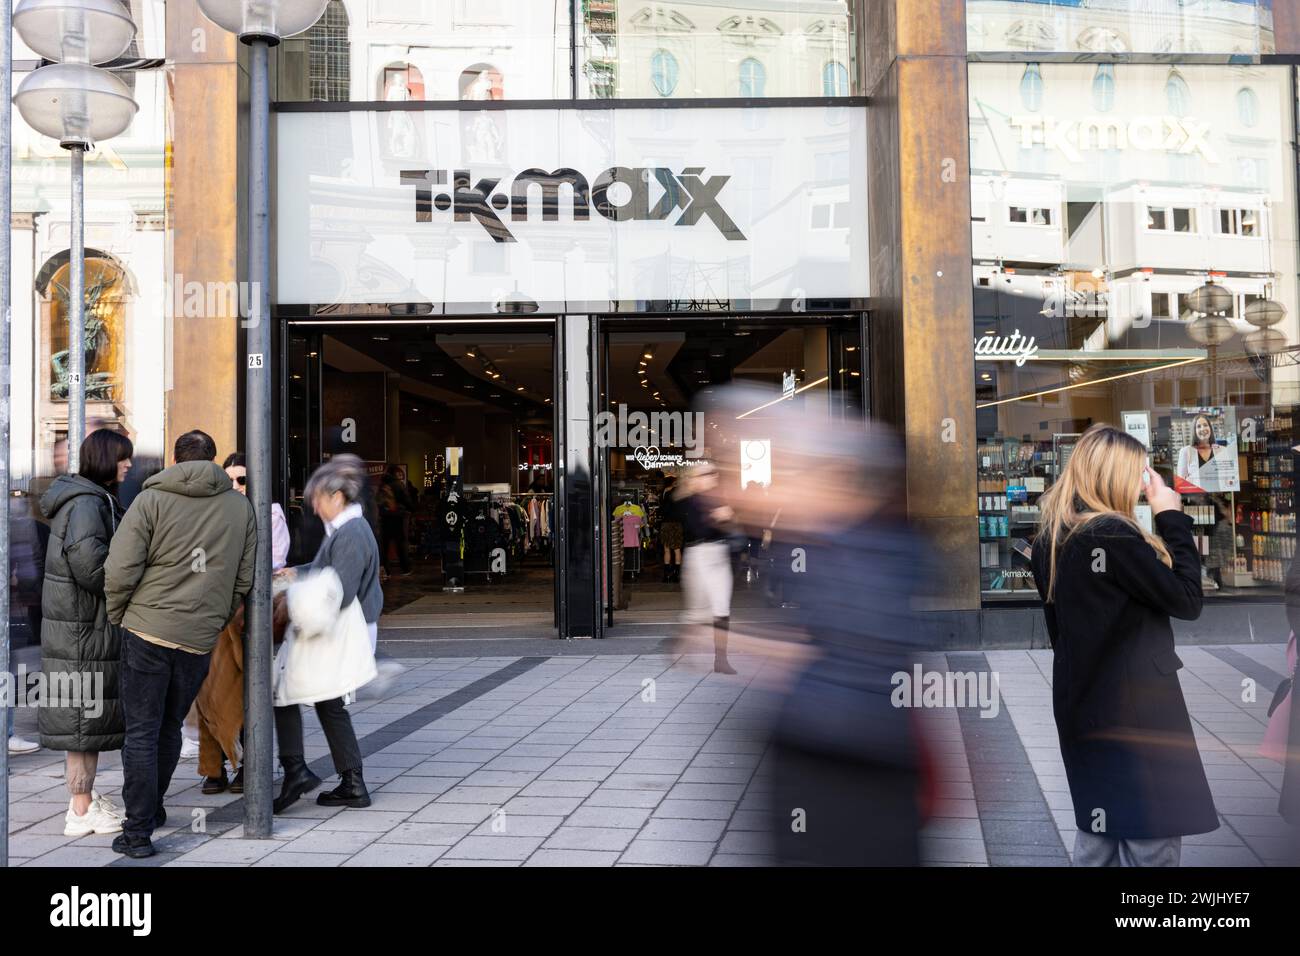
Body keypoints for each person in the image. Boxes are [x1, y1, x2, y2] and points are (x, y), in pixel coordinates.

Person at [1032, 423, 1218, 866]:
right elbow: (1187, 600)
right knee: (1150, 840)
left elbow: (1061, 632)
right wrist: (1171, 516)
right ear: (1115, 475)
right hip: (1139, 715)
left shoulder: (1051, 540)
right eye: (1138, 471)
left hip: (1084, 706)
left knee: (1100, 837)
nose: (1143, 481)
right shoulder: (1113, 537)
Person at [104, 429, 256, 858]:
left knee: (141, 731)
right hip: (197, 639)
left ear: (176, 459)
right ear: (211, 461)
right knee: (170, 726)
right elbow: (242, 580)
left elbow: (119, 569)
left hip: (146, 630)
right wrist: (212, 622)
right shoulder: (239, 508)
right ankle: (151, 809)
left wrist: (121, 615)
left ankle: (137, 830)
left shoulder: (151, 500)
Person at [38, 428, 135, 836]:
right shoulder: (85, 506)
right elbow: (92, 569)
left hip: (81, 627)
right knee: (82, 719)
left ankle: (85, 800)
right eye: (122, 457)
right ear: (105, 460)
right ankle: (79, 811)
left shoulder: (90, 500)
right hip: (81, 630)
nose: (129, 464)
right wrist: (130, 574)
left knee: (85, 718)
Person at [271, 454, 381, 814]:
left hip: (335, 633)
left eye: (317, 500)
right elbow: (327, 573)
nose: (315, 509)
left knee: (284, 694)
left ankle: (298, 771)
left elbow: (340, 591)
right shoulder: (349, 530)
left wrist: (295, 595)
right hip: (339, 632)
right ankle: (351, 782)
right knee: (328, 703)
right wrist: (297, 572)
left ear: (337, 496)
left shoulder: (352, 533)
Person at [678, 463, 736, 674]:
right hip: (699, 555)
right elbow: (696, 530)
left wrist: (727, 519)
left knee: (722, 609)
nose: (713, 476)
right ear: (696, 478)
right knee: (698, 612)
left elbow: (729, 530)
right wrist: (717, 517)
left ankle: (721, 660)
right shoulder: (689, 501)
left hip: (719, 555)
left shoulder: (719, 497)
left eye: (714, 473)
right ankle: (682, 651)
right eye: (708, 473)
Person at [1175, 413, 1234, 492]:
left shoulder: (1222, 450)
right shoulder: (1186, 452)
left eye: (1205, 425)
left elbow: (1229, 478)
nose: (1203, 428)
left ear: (1210, 428)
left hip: (1220, 497)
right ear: (1194, 431)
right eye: (1198, 426)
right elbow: (1181, 483)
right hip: (1198, 499)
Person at [378, 464, 413, 577]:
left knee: (384, 545)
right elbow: (407, 501)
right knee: (400, 544)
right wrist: (410, 509)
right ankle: (405, 569)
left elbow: (378, 501)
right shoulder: (399, 485)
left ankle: (385, 570)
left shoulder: (382, 485)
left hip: (385, 518)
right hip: (397, 517)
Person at [658, 476, 684, 582]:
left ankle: (667, 575)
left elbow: (662, 509)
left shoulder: (666, 493)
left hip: (666, 523)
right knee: (677, 550)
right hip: (678, 524)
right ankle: (676, 575)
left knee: (666, 550)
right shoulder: (681, 495)